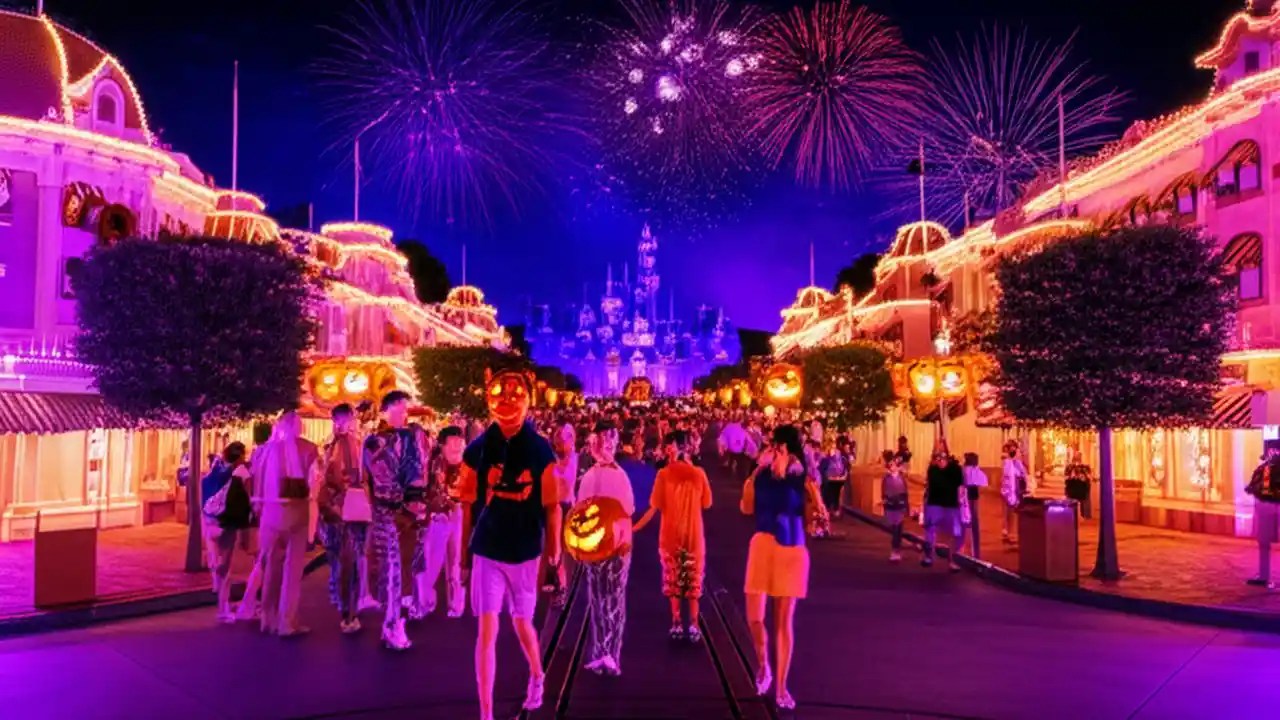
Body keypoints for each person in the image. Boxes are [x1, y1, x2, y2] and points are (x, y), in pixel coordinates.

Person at [458, 370, 562, 720]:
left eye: (516, 393)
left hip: (524, 551)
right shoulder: (479, 449)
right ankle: (485, 714)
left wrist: (554, 555)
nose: (507, 400)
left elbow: (552, 507)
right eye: (499, 393)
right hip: (488, 547)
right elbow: (468, 507)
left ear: (529, 399)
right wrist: (463, 557)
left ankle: (537, 672)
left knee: (522, 623)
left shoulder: (539, 449)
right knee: (486, 630)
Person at [740, 425, 826, 711]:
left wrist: (817, 516)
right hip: (762, 544)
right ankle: (763, 663)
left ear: (789, 449)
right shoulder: (761, 476)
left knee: (783, 622)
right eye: (771, 446)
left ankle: (781, 687)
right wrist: (753, 476)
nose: (773, 450)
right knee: (754, 617)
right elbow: (746, 509)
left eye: (778, 446)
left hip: (791, 548)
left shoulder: (802, 479)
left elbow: (818, 511)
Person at [634, 430, 713, 641]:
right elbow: (707, 503)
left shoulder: (664, 475)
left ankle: (677, 621)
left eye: (670, 445)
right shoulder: (699, 474)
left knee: (674, 580)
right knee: (693, 579)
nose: (667, 450)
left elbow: (654, 506)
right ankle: (694, 624)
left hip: (670, 534)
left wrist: (633, 527)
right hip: (694, 534)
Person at [365, 390, 428, 650]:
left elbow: (419, 473)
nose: (404, 413)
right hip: (386, 514)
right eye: (399, 408)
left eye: (405, 409)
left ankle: (391, 622)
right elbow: (383, 480)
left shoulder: (411, 438)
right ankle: (392, 625)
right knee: (391, 570)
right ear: (385, 411)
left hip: (407, 513)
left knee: (403, 568)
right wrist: (405, 503)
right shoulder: (375, 443)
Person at [252, 411, 320, 637]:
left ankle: (267, 617)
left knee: (271, 565)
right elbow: (315, 481)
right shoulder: (308, 449)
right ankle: (287, 621)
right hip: (296, 512)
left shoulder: (262, 452)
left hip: (270, 514)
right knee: (292, 570)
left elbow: (255, 484)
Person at [575, 422, 636, 675]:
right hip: (596, 546)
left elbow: (628, 510)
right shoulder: (590, 476)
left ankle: (611, 652)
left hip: (616, 546)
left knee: (612, 598)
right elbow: (579, 512)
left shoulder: (618, 475)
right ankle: (601, 652)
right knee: (599, 599)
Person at [315, 404, 367, 631]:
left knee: (339, 560)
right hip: (347, 510)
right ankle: (349, 614)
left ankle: (343, 604)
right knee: (350, 563)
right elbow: (349, 478)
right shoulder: (347, 445)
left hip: (334, 511)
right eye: (351, 418)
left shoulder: (331, 445)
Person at [415, 425, 468, 618]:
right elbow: (426, 491)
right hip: (438, 517)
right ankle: (426, 602)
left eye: (460, 442)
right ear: (442, 445)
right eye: (452, 442)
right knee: (432, 561)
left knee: (456, 562)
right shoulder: (433, 464)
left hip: (459, 514)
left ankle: (456, 604)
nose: (457, 447)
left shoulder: (469, 466)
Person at [200, 442, 252, 623]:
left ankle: (215, 584)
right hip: (227, 522)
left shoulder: (213, 472)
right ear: (240, 456)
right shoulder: (242, 473)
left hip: (209, 520)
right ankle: (224, 608)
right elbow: (249, 497)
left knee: (215, 561)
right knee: (225, 567)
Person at [922, 446, 965, 572]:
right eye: (938, 458)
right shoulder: (933, 470)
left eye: (943, 458)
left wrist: (961, 502)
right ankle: (929, 556)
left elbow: (960, 487)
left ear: (948, 459)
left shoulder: (955, 470)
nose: (940, 461)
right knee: (930, 530)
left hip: (951, 505)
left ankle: (952, 560)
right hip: (934, 504)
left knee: (955, 534)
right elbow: (929, 486)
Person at [1246, 442, 1280, 589]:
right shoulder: (1265, 468)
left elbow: (1258, 488)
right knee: (1264, 542)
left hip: (1268, 506)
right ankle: (1263, 575)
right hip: (1268, 506)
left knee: (1264, 542)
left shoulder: (1266, 469)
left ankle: (1264, 575)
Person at [881, 450, 909, 563]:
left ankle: (896, 550)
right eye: (890, 465)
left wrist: (907, 507)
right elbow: (883, 493)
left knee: (898, 529)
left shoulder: (902, 478)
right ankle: (895, 549)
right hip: (890, 506)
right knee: (894, 529)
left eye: (894, 465)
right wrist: (885, 503)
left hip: (900, 506)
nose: (892, 467)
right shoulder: (886, 478)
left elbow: (905, 493)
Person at [961, 452, 988, 560]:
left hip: (967, 499)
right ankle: (974, 553)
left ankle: (964, 550)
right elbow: (982, 481)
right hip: (971, 499)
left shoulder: (964, 470)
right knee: (973, 525)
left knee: (965, 523)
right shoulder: (973, 470)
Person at [1001, 443, 1030, 543]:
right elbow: (1006, 476)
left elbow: (1022, 474)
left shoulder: (1017, 463)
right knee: (1008, 512)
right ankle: (1008, 532)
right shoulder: (1007, 463)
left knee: (1014, 512)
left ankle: (1012, 533)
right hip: (1009, 490)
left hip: (1017, 490)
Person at [817, 437, 851, 518]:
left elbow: (841, 463)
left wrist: (842, 474)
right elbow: (822, 465)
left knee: (836, 493)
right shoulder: (824, 453)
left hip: (838, 477)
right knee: (829, 493)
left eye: (834, 443)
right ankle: (828, 509)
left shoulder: (838, 452)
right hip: (829, 477)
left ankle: (835, 509)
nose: (833, 445)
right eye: (831, 443)